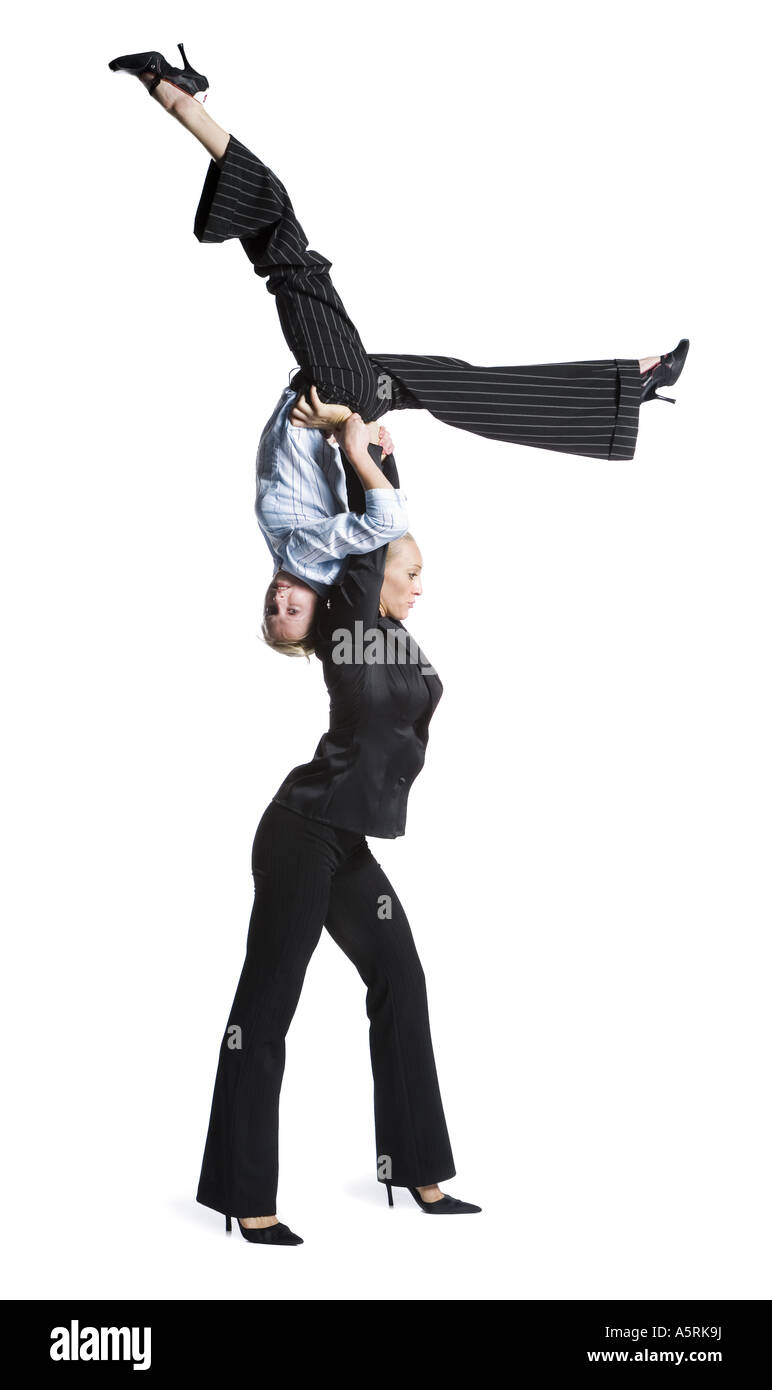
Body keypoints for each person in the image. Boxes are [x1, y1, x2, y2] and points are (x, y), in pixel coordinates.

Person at [108, 44, 690, 658]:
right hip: (331, 393)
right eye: (293, 609)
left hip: (333, 396)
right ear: (320, 603)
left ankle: (625, 393)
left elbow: (342, 503)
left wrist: (362, 453)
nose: (280, 597)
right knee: (287, 254)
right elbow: (385, 525)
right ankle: (174, 93)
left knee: (450, 382)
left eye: (271, 607)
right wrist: (344, 429)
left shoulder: (292, 553)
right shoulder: (312, 559)